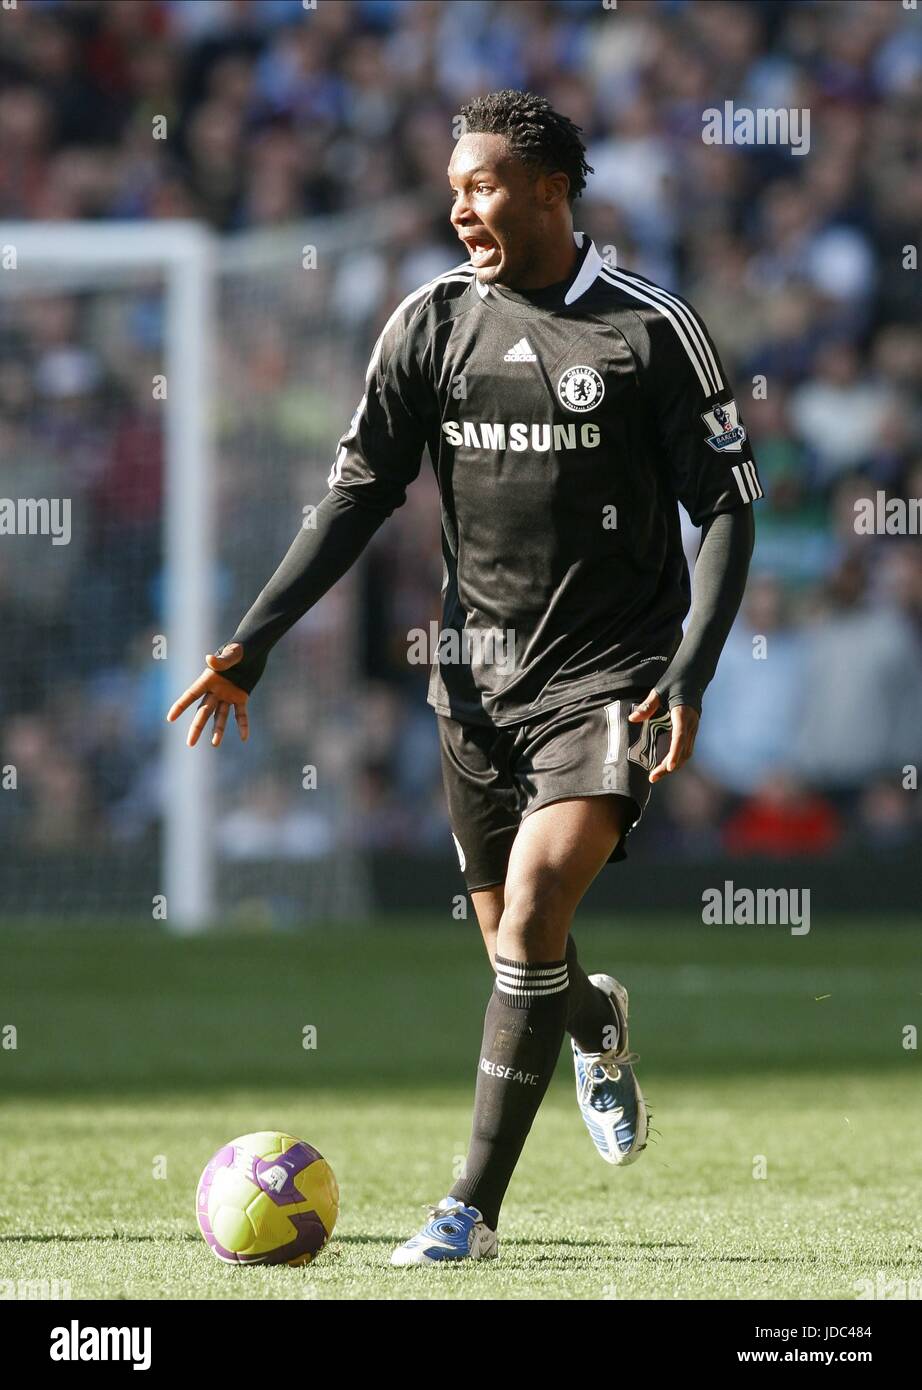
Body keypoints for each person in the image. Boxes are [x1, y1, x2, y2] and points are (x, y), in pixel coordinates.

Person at [167, 90, 760, 1265]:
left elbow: (730, 510)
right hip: (474, 685)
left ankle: (467, 1210)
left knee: (536, 912)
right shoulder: (430, 323)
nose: (461, 208)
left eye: (482, 185)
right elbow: (355, 495)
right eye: (452, 189)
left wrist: (688, 671)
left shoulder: (648, 330)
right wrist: (253, 638)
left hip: (613, 677)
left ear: (550, 187)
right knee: (522, 955)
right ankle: (596, 1025)